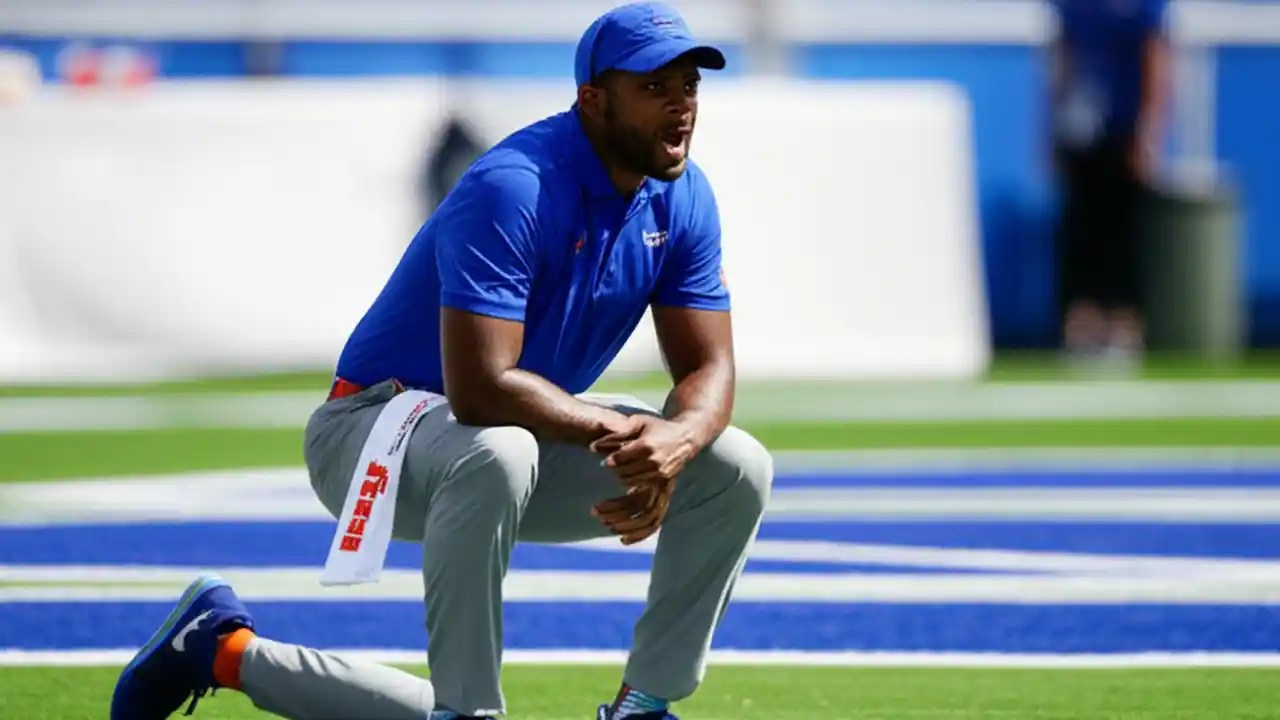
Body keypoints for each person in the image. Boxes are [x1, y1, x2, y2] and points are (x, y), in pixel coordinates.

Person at [109, 3, 774, 720]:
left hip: (507, 436)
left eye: (689, 86)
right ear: (593, 99)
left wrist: (674, 443)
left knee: (734, 467)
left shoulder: (684, 195)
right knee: (497, 451)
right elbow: (482, 389)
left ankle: (641, 706)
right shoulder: (515, 184)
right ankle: (467, 710)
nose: (680, 106)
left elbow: (709, 369)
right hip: (369, 426)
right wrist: (620, 436)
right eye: (654, 88)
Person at [1048, 0, 1171, 365]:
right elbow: (1063, 58)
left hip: (1123, 126)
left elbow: (1156, 58)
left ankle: (1124, 325)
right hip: (1081, 127)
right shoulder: (1075, 7)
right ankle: (1083, 324)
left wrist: (1149, 130)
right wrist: (1052, 124)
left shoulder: (1140, 8)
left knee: (1124, 230)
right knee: (1080, 229)